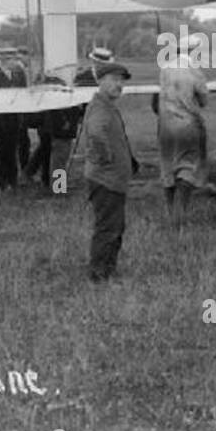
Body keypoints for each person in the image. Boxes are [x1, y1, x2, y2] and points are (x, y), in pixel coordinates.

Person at [83, 62, 135, 282]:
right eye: (114, 80)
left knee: (115, 226)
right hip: (106, 179)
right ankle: (99, 275)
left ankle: (108, 269)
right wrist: (107, 160)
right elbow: (95, 134)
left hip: (113, 179)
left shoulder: (107, 105)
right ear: (100, 81)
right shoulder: (100, 108)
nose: (119, 85)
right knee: (108, 228)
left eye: (121, 80)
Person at [155, 35, 209, 230]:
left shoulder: (165, 68)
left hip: (165, 126)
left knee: (168, 168)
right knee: (187, 169)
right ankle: (179, 219)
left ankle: (171, 215)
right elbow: (203, 99)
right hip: (187, 126)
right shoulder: (195, 71)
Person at [0, 47, 22, 191]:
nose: (14, 62)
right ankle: (1, 182)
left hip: (14, 120)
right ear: (3, 60)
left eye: (14, 58)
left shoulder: (18, 76)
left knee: (12, 151)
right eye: (11, 59)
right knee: (0, 152)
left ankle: (12, 180)